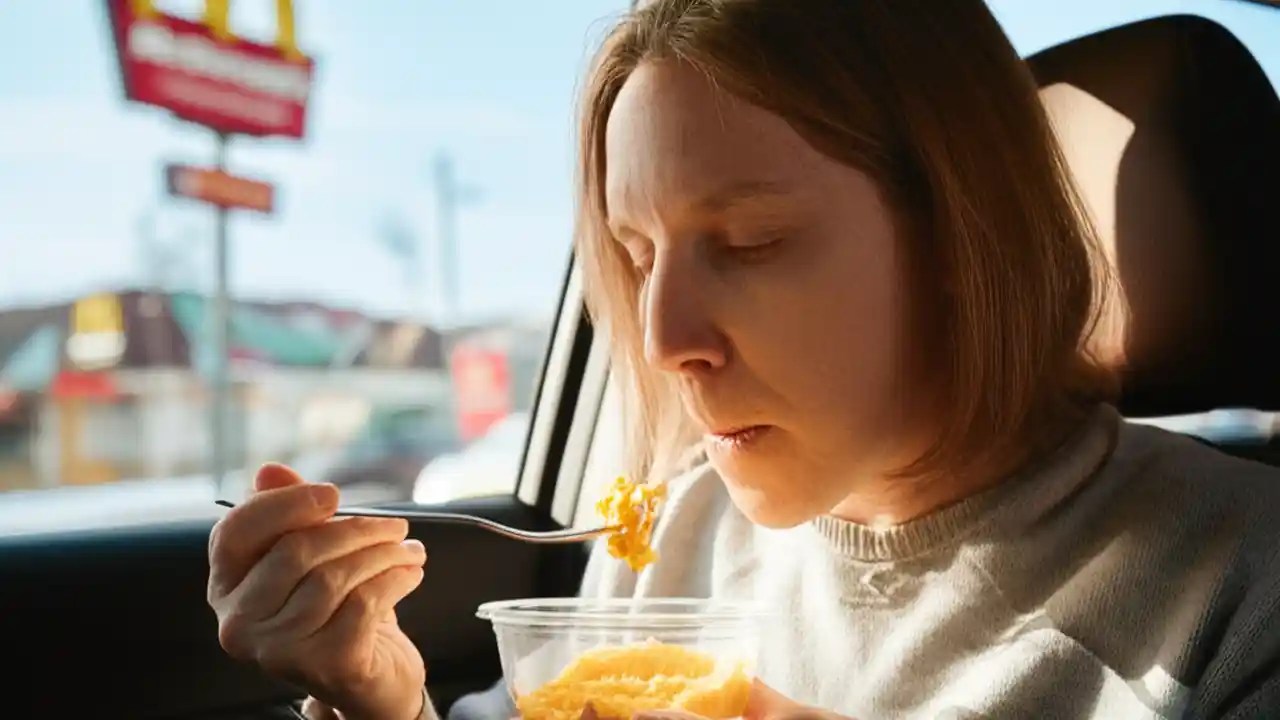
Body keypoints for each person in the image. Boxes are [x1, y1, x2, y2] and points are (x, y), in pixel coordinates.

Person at [206, 1, 1280, 718]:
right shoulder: (679, 531)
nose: (668, 342)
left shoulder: (1237, 586)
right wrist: (379, 696)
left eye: (751, 244)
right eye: (635, 255)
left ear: (964, 236)